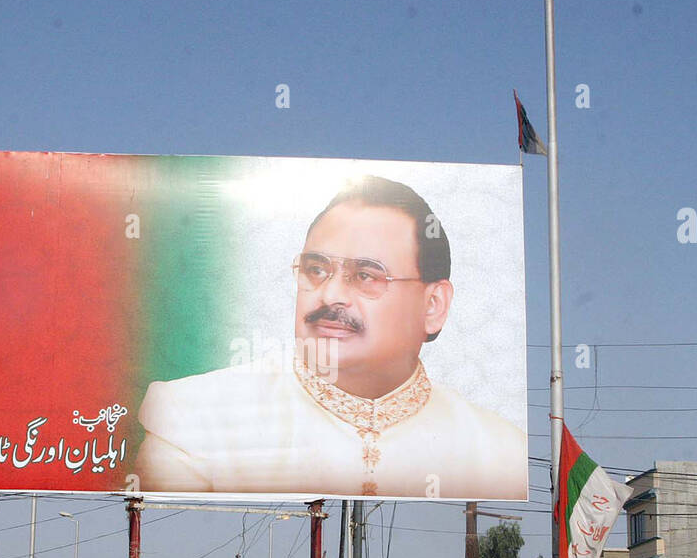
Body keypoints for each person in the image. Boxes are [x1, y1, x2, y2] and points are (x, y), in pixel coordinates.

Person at [136, 176, 527, 499]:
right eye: (316, 269)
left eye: (366, 275)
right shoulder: (193, 421)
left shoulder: (501, 451)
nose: (330, 295)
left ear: (433, 305)